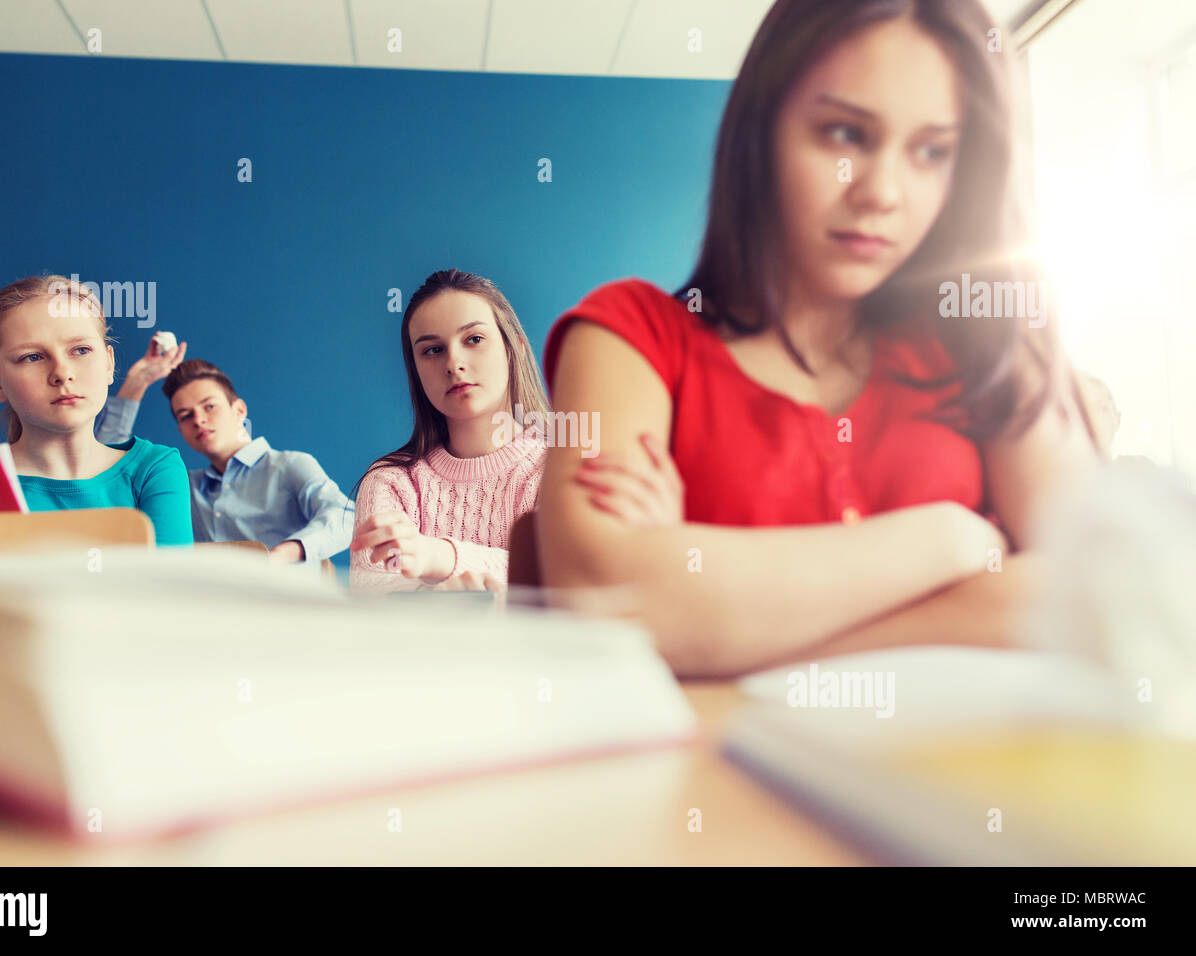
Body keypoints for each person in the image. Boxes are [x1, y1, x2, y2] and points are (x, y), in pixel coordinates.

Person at [535, 0, 1101, 676]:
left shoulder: (998, 338)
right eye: (845, 135)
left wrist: (713, 632)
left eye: (931, 151)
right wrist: (953, 542)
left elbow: (1096, 597)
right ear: (761, 129)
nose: (882, 192)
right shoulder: (628, 335)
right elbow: (606, 599)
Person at [0, 275, 192, 545]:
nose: (62, 373)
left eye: (80, 350)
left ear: (109, 363)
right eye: (32, 357)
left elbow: (170, 597)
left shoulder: (153, 469)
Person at [349, 269, 550, 593]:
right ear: (415, 371)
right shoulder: (390, 481)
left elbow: (565, 578)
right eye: (432, 349)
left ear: (515, 349)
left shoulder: (560, 469)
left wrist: (439, 557)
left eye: (474, 339)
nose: (453, 363)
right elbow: (373, 598)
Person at [100, 358, 355, 564]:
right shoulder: (182, 487)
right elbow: (105, 463)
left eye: (209, 407)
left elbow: (346, 517)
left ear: (239, 410)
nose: (198, 420)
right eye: (186, 415)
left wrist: (281, 555)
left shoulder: (289, 465)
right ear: (181, 430)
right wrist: (138, 381)